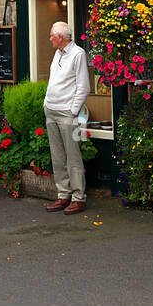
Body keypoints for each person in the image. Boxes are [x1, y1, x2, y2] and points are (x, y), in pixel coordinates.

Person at [43, 22, 90, 214]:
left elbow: (84, 86)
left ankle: (79, 197)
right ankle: (63, 194)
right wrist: (47, 103)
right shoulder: (58, 53)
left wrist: (73, 110)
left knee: (73, 156)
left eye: (52, 35)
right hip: (52, 110)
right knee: (57, 156)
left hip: (66, 113)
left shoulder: (78, 54)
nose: (50, 38)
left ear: (60, 37)